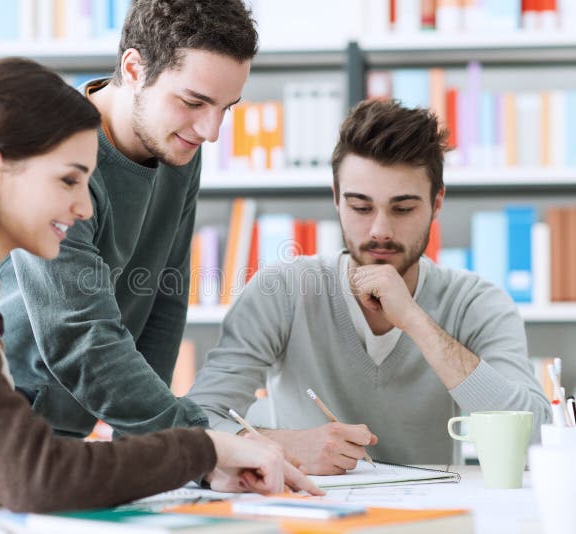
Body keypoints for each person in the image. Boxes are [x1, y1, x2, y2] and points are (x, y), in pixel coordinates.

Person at [0, 57, 316, 534]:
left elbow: (15, 467)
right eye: (68, 180)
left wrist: (199, 453)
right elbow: (34, 475)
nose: (85, 207)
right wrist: (203, 448)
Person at [187, 99, 551, 474]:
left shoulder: (476, 302)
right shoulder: (281, 290)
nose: (380, 230)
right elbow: (194, 423)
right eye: (361, 207)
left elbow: (537, 436)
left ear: (436, 203)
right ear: (336, 200)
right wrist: (286, 446)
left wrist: (415, 320)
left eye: (403, 209)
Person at [0, 0, 257, 439]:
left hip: (71, 432)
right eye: (194, 102)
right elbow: (77, 335)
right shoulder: (53, 151)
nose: (211, 131)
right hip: (3, 424)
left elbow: (163, 300)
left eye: (226, 108)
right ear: (134, 68)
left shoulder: (179, 150)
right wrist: (200, 445)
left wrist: (156, 448)